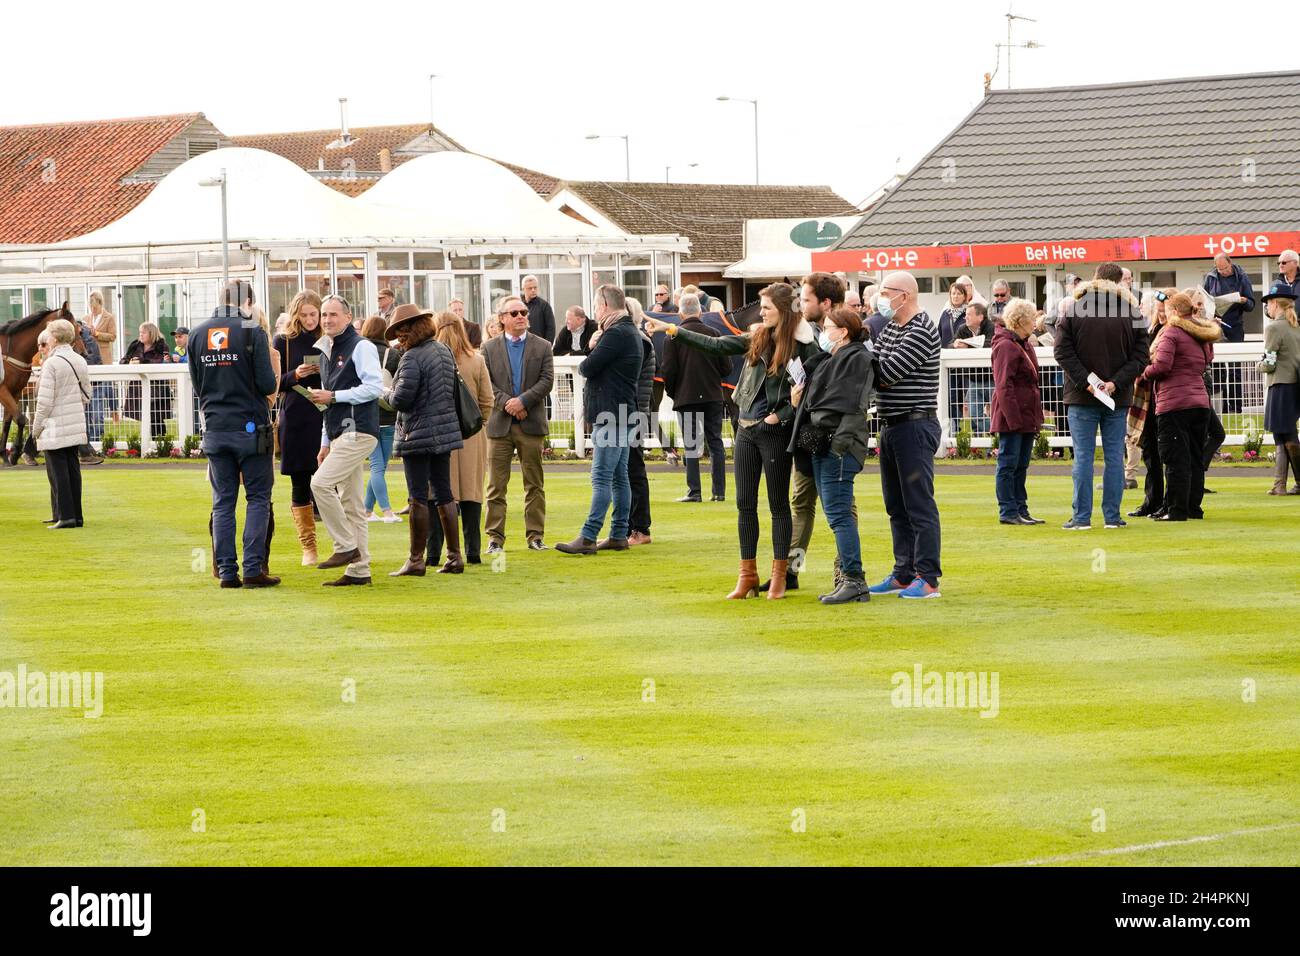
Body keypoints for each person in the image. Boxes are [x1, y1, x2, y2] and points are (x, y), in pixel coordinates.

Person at [645, 282, 819, 600]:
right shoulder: (759, 335)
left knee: (779, 507)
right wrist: (673, 330)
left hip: (775, 432)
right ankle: (747, 575)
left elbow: (810, 387)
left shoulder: (803, 345)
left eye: (766, 307)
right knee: (744, 506)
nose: (761, 311)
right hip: (746, 430)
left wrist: (778, 415)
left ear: (783, 310)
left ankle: (779, 576)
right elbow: (718, 345)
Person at [189, 279, 280, 587]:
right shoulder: (253, 329)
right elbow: (268, 384)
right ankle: (253, 568)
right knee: (257, 497)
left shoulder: (197, 334)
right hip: (251, 426)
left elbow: (197, 384)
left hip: (215, 425)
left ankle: (227, 572)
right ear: (249, 302)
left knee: (223, 502)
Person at [787, 306, 875, 604]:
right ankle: (802, 572)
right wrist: (798, 399)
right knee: (832, 514)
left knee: (838, 515)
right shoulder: (827, 360)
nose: (823, 332)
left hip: (835, 447)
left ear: (843, 331)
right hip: (819, 444)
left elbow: (853, 407)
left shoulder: (857, 359)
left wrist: (837, 446)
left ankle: (853, 579)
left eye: (827, 327)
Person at [1054, 262, 1150, 530]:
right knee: (1113, 458)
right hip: (1116, 396)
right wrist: (1114, 383)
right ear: (1119, 282)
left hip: (1081, 394)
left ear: (1095, 279)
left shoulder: (1073, 309)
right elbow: (1142, 356)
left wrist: (1088, 382)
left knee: (1083, 457)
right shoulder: (1131, 311)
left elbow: (1062, 352)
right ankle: (1112, 516)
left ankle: (1081, 517)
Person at [865, 272, 944, 600]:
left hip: (914, 426)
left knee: (919, 505)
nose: (880, 298)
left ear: (905, 295)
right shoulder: (892, 328)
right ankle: (904, 572)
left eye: (885, 292)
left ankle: (928, 577)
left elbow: (883, 374)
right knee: (896, 506)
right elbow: (874, 363)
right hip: (892, 426)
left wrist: (868, 366)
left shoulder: (922, 329)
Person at [557, 286, 644, 555]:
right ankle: (618, 534)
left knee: (602, 477)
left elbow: (586, 367)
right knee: (619, 478)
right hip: (621, 411)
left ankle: (588, 536)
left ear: (605, 305)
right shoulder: (628, 331)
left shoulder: (616, 333)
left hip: (611, 413)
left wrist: (592, 345)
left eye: (596, 306)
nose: (595, 311)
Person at [382, 304, 464, 576]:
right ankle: (454, 557)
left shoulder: (412, 358)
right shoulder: (443, 350)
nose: (398, 338)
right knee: (444, 493)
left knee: (417, 496)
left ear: (410, 329)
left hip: (417, 433)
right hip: (443, 430)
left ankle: (416, 560)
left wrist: (385, 392)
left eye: (400, 331)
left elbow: (401, 399)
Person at [309, 294, 384, 587]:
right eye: (324, 314)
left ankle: (344, 546)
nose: (327, 319)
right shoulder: (326, 349)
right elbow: (328, 401)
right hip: (340, 432)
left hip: (360, 430)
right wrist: (325, 442)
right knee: (352, 503)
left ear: (348, 317)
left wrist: (335, 396)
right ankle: (359, 570)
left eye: (332, 315)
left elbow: (374, 387)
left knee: (320, 484)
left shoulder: (361, 346)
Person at [787, 273, 852, 592]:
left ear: (825, 303)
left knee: (840, 508)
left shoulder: (845, 339)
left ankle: (847, 572)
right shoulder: (809, 332)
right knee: (801, 502)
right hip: (807, 435)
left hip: (834, 438)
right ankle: (791, 570)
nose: (802, 305)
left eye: (807, 299)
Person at [482, 295, 553, 552]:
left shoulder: (543, 346)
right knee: (495, 486)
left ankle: (535, 536)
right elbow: (487, 384)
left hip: (530, 424)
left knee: (534, 484)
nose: (521, 316)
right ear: (502, 319)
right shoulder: (488, 349)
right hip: (500, 425)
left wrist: (522, 401)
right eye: (514, 313)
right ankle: (495, 539)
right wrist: (509, 404)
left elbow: (547, 381)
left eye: (523, 312)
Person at [1139, 292, 1218, 521]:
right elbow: (1206, 360)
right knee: (1194, 457)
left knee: (1175, 459)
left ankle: (1176, 509)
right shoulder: (1202, 332)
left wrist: (1145, 372)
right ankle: (1193, 507)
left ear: (1174, 311)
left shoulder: (1172, 332)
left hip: (1174, 403)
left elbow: (1162, 366)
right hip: (1199, 401)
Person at [427, 312, 494, 565]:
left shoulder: (429, 360)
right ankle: (473, 552)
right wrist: (478, 423)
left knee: (437, 493)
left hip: (437, 434)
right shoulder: (476, 360)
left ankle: (433, 553)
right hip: (471, 434)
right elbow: (488, 400)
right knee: (471, 493)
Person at [662, 292, 730, 503]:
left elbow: (669, 372)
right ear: (700, 311)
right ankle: (719, 492)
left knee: (691, 444)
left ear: (680, 313)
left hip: (687, 396)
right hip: (712, 395)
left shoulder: (673, 337)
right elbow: (726, 368)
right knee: (715, 442)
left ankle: (695, 491)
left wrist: (675, 393)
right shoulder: (715, 333)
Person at [274, 291, 325, 566]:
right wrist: (295, 375)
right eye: (303, 315)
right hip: (296, 419)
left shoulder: (329, 339)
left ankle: (346, 545)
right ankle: (309, 548)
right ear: (295, 314)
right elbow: (273, 382)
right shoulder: (283, 341)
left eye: (313, 314)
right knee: (300, 483)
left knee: (333, 482)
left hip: (325, 417)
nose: (308, 319)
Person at [31, 319, 90, 530]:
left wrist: (36, 428)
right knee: (72, 469)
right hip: (75, 421)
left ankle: (65, 516)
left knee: (58, 471)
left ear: (54, 338)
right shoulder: (79, 360)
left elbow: (44, 402)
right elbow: (87, 395)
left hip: (54, 424)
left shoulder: (52, 363)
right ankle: (76, 515)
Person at [990, 298, 1045, 525]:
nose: (1035, 323)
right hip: (1013, 416)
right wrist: (1014, 420)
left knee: (1020, 464)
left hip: (1024, 414)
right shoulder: (1006, 346)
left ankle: (1020, 508)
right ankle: (1009, 511)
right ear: (1020, 321)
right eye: (1032, 319)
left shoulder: (1022, 344)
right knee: (1009, 463)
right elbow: (1004, 386)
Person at [1126, 290, 1175, 518]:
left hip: (1163, 398)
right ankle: (1153, 500)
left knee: (1164, 453)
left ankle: (1165, 501)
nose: (1161, 313)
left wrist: (1143, 369)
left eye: (1165, 309)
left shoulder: (1171, 332)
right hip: (1147, 399)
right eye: (1159, 309)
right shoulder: (1153, 330)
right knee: (1150, 451)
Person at [360, 315, 402, 524]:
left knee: (379, 467)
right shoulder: (392, 354)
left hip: (368, 415)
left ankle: (367, 510)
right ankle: (386, 511)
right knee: (379, 467)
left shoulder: (359, 352)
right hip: (389, 414)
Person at [1260, 283, 1300, 495]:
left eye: (1268, 303)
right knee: (1287, 432)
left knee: (1283, 434)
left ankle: (1281, 485)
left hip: (1280, 384)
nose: (1267, 307)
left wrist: (1260, 365)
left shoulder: (1274, 328)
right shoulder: (1296, 325)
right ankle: (1281, 485)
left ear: (1275, 304)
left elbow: (1269, 363)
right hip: (1295, 383)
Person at [952, 300, 997, 435]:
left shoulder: (991, 327)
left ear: (980, 317)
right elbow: (950, 344)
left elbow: (992, 344)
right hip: (973, 380)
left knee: (998, 413)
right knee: (974, 415)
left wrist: (968, 345)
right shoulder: (962, 329)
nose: (965, 317)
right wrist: (955, 344)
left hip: (991, 379)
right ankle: (998, 436)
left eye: (969, 314)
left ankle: (997, 440)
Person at [1203, 252, 1255, 345]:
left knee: (1235, 356)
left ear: (1230, 262)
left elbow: (1251, 305)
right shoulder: (1210, 277)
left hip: (1234, 327)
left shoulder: (1242, 277)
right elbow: (1204, 298)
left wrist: (1244, 301)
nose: (1223, 272)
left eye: (1226, 268)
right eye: (1220, 269)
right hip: (1215, 325)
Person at [521, 275, 556, 343]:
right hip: (522, 345)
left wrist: (547, 347)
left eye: (535, 287)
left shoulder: (544, 305)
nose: (533, 290)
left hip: (539, 346)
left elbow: (551, 329)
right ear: (523, 289)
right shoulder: (520, 306)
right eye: (530, 288)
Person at [937, 282, 968, 348]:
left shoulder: (969, 313)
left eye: (959, 294)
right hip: (946, 354)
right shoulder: (945, 314)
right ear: (950, 296)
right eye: (953, 293)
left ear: (964, 296)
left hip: (964, 355)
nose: (956, 296)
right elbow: (938, 336)